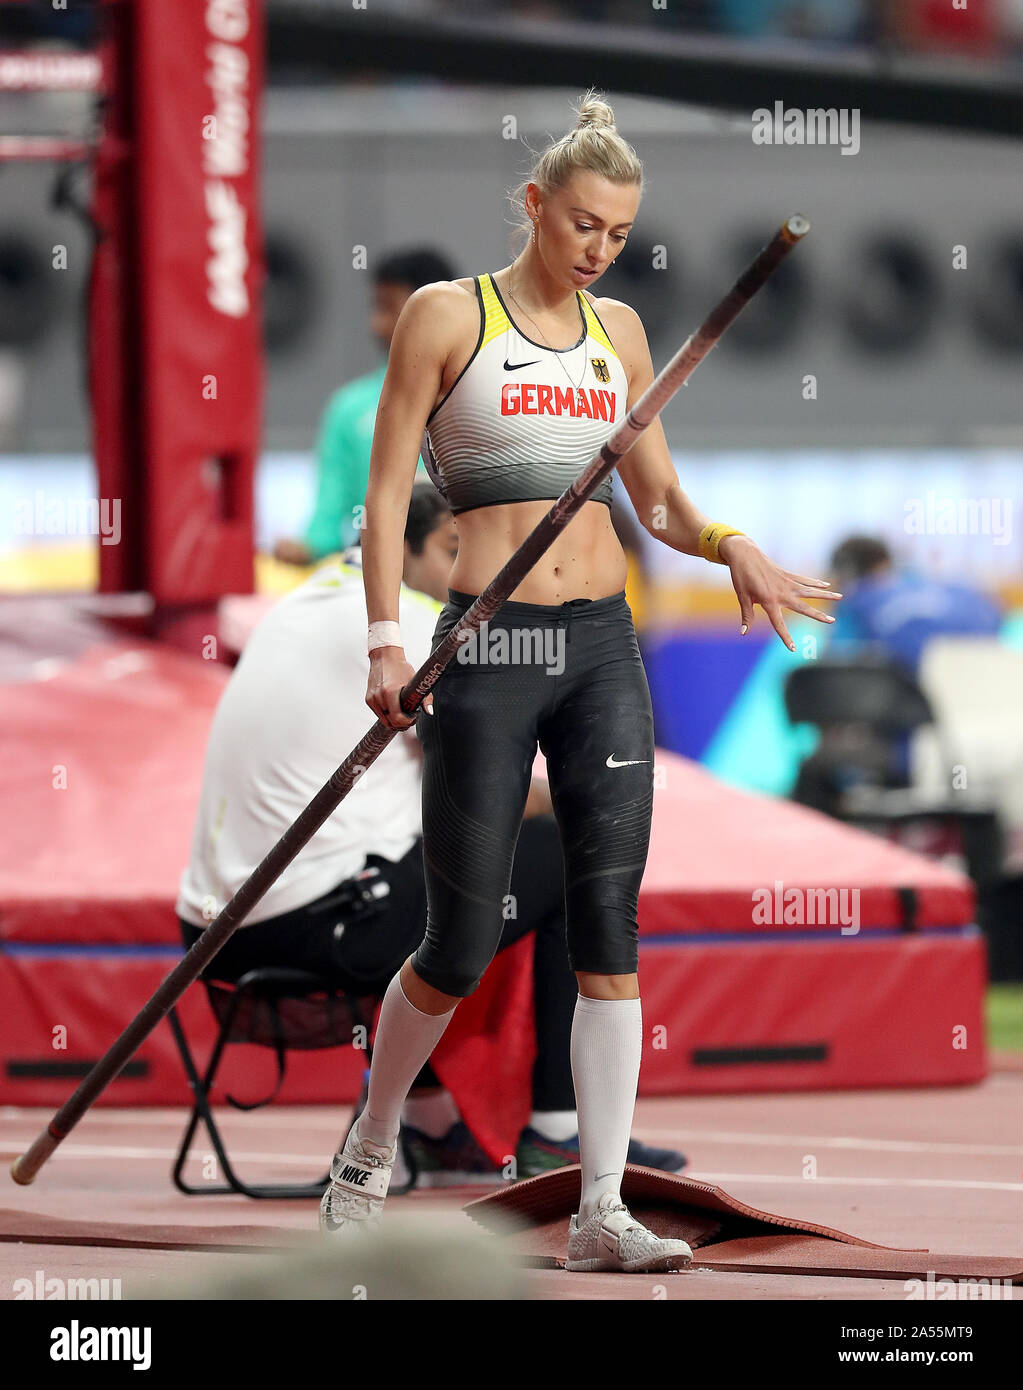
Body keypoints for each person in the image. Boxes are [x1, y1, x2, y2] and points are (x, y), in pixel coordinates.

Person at [324, 89, 839, 1273]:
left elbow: (653, 501)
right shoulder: (451, 316)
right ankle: (370, 1134)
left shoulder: (623, 335)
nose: (598, 247)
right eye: (582, 224)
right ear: (534, 204)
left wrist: (728, 544)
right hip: (488, 649)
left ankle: (598, 1207)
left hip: (600, 644)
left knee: (611, 928)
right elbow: (390, 481)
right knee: (458, 942)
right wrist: (386, 644)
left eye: (617, 232)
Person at [176, 483, 686, 1186]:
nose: (466, 569)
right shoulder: (420, 628)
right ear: (401, 549)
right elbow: (503, 792)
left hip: (217, 932)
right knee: (577, 850)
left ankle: (433, 1127)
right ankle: (558, 1133)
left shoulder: (306, 599)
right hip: (318, 920)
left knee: (460, 865)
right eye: (453, 549)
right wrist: (609, 796)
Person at [273, 248, 457, 568]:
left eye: (390, 308)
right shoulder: (349, 408)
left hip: (470, 582)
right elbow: (327, 519)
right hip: (373, 576)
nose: (377, 325)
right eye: (377, 308)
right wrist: (305, 548)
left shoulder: (483, 392)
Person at [828, 535, 1002, 674]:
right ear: (886, 563)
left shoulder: (854, 603)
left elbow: (836, 664)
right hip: (984, 698)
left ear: (844, 576)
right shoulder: (960, 590)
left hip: (908, 705)